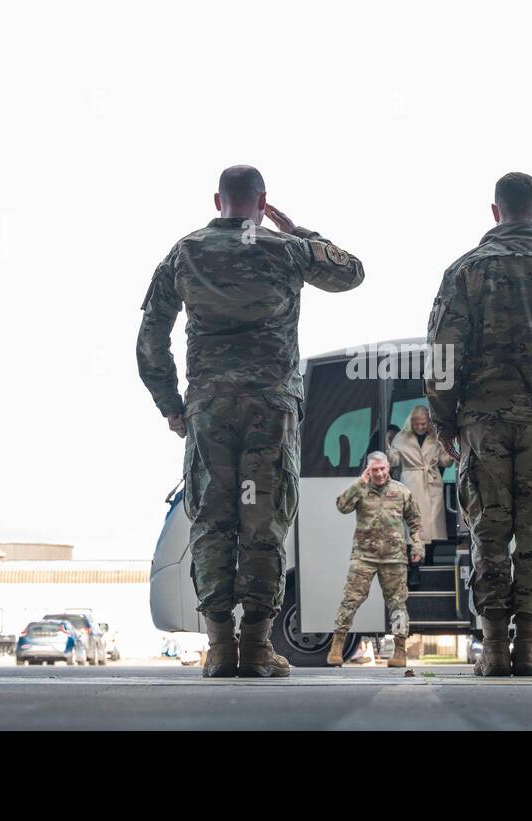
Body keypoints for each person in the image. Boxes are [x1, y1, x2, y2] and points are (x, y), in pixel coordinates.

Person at [137, 165, 365, 678]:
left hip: (209, 409)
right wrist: (299, 232)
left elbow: (151, 335)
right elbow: (351, 272)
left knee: (213, 521)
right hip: (271, 408)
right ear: (263, 202)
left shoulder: (187, 252)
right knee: (264, 523)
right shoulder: (286, 250)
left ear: (218, 198)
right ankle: (258, 647)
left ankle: (220, 648)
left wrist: (171, 404)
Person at [425, 172, 532, 677]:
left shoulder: (464, 272)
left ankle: (495, 650)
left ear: (494, 211)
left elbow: (442, 353)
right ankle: (528, 648)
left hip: (482, 423)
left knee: (489, 531)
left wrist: (443, 420)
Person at [327, 452, 425, 668]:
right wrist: (359, 483)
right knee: (350, 601)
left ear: (388, 467)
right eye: (374, 470)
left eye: (382, 469)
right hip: (364, 557)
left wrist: (417, 546)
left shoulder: (401, 491)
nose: (379, 473)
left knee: (398, 604)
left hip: (394, 558)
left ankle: (400, 650)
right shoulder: (360, 490)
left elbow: (415, 522)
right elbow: (342, 506)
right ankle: (336, 647)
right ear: (368, 470)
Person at [387, 405, 454, 553]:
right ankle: (415, 568)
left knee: (433, 528)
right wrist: (387, 450)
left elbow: (444, 461)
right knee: (413, 525)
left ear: (429, 422)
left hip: (432, 484)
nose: (420, 427)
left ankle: (429, 560)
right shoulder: (401, 437)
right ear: (411, 422)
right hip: (412, 482)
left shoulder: (436, 436)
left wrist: (452, 453)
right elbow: (395, 460)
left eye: (423, 423)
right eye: (417, 424)